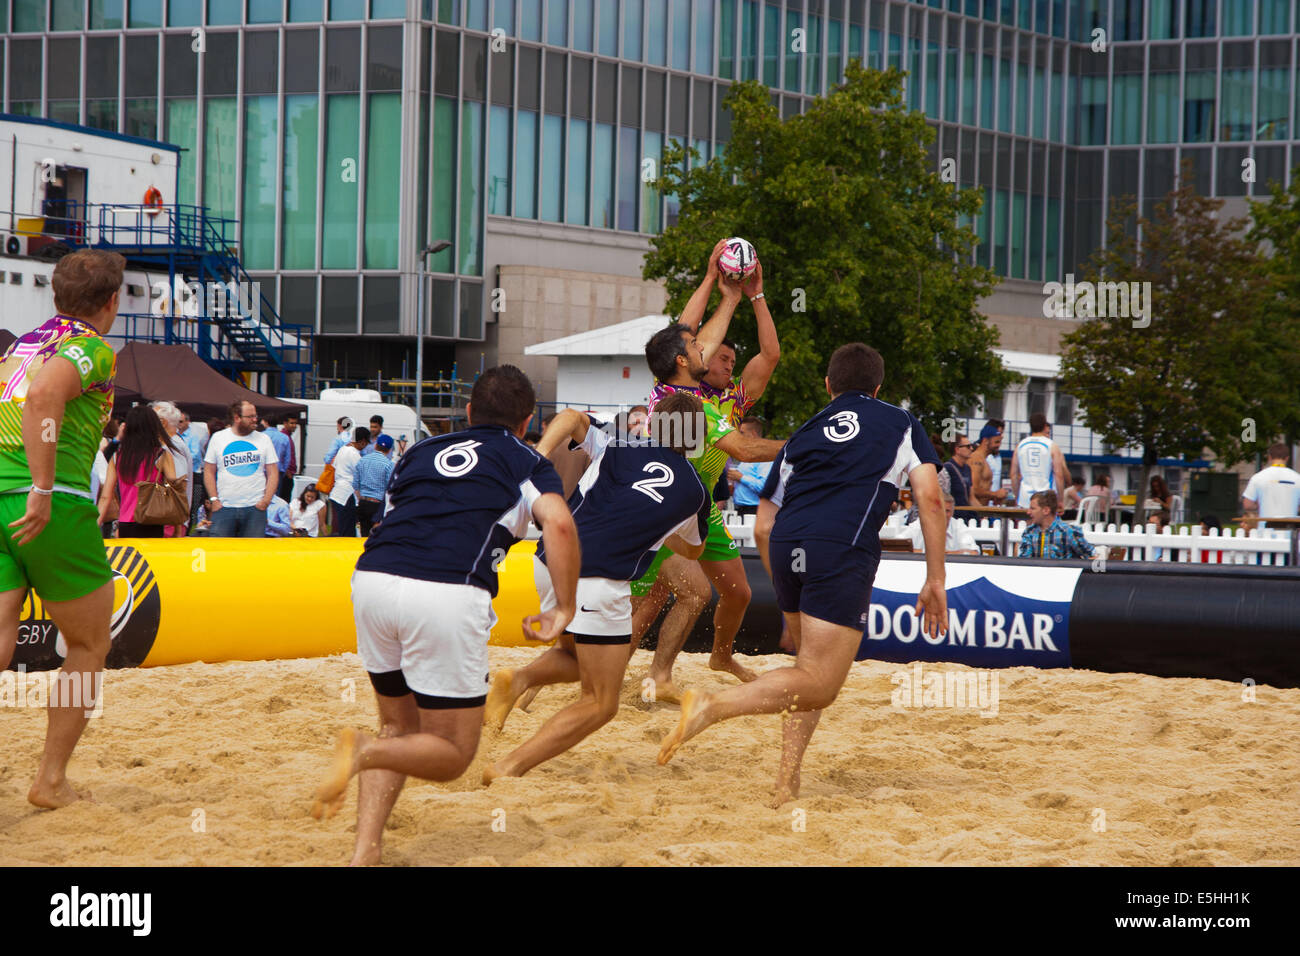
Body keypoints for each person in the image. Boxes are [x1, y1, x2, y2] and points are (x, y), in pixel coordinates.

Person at [656, 342, 949, 809]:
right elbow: (931, 499)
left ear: (829, 386)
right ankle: (713, 705)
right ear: (878, 388)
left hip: (789, 547)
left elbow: (764, 522)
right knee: (821, 684)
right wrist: (935, 577)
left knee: (803, 672)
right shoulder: (900, 422)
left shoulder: (809, 429)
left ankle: (786, 781)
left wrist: (787, 586)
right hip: (841, 547)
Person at [310, 365, 580, 868]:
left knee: (398, 729)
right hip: (447, 591)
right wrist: (561, 608)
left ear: (469, 412)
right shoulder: (524, 459)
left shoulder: (417, 452)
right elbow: (560, 527)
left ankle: (365, 851)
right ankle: (361, 753)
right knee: (453, 754)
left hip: (372, 580)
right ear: (525, 423)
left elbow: (395, 515)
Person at [481, 389, 712, 782]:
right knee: (602, 704)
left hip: (548, 561)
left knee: (574, 659)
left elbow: (570, 416)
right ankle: (507, 768)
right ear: (696, 440)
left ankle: (516, 680)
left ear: (655, 425)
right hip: (597, 580)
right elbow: (693, 549)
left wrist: (537, 454)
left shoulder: (621, 443)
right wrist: (658, 529)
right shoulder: (695, 491)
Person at [0, 247, 124, 808]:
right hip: (52, 502)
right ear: (113, 301)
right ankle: (50, 780)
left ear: (56, 297)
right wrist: (44, 489)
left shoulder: (23, 345)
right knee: (88, 643)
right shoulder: (92, 349)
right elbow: (47, 397)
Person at [632, 239, 784, 694]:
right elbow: (685, 330)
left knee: (736, 592)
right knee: (658, 597)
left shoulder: (729, 399)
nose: (722, 356)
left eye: (730, 359)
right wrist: (721, 288)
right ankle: (623, 677)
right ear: (694, 359)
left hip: (702, 506)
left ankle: (719, 656)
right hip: (667, 504)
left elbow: (770, 355)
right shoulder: (679, 396)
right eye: (718, 354)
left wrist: (751, 296)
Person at [97, 405, 180, 538]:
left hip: (125, 523)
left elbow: (106, 496)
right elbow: (174, 492)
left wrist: (96, 524)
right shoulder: (160, 455)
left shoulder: (117, 456)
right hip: (152, 520)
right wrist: (177, 528)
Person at [203, 400, 280, 537]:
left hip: (255, 507)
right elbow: (209, 471)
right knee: (220, 552)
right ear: (237, 418)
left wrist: (266, 501)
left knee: (252, 554)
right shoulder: (218, 438)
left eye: (256, 416)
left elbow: (273, 472)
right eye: (250, 417)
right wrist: (214, 500)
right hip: (224, 506)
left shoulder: (264, 439)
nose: (255, 420)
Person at [1010, 412, 1068, 510]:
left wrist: (1017, 496)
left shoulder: (1020, 445)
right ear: (1045, 426)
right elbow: (1059, 475)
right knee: (1046, 525)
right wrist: (1060, 500)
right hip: (1046, 498)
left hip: (1025, 499)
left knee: (1026, 525)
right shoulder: (1052, 446)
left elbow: (1013, 475)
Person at [151, 400, 192, 536]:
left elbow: (178, 486)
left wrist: (177, 526)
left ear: (163, 422)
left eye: (152, 419)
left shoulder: (172, 446)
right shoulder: (173, 444)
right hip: (170, 519)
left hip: (170, 521)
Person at [1018, 490, 1095, 559]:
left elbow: (1092, 556)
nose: (1028, 512)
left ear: (1046, 510)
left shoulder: (1068, 532)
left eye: (1032, 508)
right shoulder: (1029, 532)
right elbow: (1025, 560)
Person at [1241, 442, 1300, 526]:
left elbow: (1247, 504)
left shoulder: (1258, 477)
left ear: (1269, 457)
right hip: (1290, 530)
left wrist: (1259, 504)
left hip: (1265, 529)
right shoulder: (1297, 478)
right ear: (1287, 458)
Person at [727, 417, 773, 516]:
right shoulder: (747, 456)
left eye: (742, 433)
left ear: (753, 435)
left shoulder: (764, 457)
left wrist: (741, 477)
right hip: (740, 509)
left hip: (754, 510)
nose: (738, 437)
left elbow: (765, 487)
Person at [328, 426, 369, 537]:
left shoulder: (342, 449)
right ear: (363, 442)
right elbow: (361, 477)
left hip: (337, 493)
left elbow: (334, 466)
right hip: (347, 495)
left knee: (341, 528)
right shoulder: (355, 454)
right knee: (348, 532)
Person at [908, 492, 979, 554]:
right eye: (940, 510)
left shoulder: (958, 526)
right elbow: (898, 548)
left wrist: (944, 554)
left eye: (947, 511)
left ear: (952, 512)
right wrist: (930, 553)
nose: (943, 515)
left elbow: (973, 552)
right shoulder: (918, 525)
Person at [353, 434, 395, 535]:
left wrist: (360, 498)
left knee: (363, 535)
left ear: (375, 445)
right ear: (389, 450)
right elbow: (390, 488)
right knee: (377, 536)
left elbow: (355, 484)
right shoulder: (389, 465)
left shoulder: (362, 460)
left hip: (363, 502)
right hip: (377, 505)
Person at [179, 411, 207, 527]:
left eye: (181, 421)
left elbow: (194, 455)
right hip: (179, 475)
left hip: (194, 474)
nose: (178, 424)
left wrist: (179, 458)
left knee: (193, 505)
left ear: (188, 422)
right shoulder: (174, 435)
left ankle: (192, 529)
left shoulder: (193, 436)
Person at [969, 422, 1008, 505]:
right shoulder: (976, 458)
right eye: (996, 442)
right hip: (976, 512)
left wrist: (994, 497)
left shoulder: (983, 460)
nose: (999, 445)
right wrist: (995, 494)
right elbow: (974, 489)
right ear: (985, 441)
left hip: (981, 511)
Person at [943, 434, 975, 520]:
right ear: (957, 449)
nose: (971, 449)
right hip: (954, 517)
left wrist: (984, 512)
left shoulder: (968, 468)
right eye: (968, 446)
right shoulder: (947, 468)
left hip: (966, 517)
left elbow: (971, 497)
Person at [278, 415, 299, 501]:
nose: (294, 425)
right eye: (292, 423)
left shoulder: (288, 437)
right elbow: (280, 456)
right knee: (284, 500)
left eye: (295, 423)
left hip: (288, 475)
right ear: (285, 423)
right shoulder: (283, 437)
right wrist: (287, 472)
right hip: (285, 475)